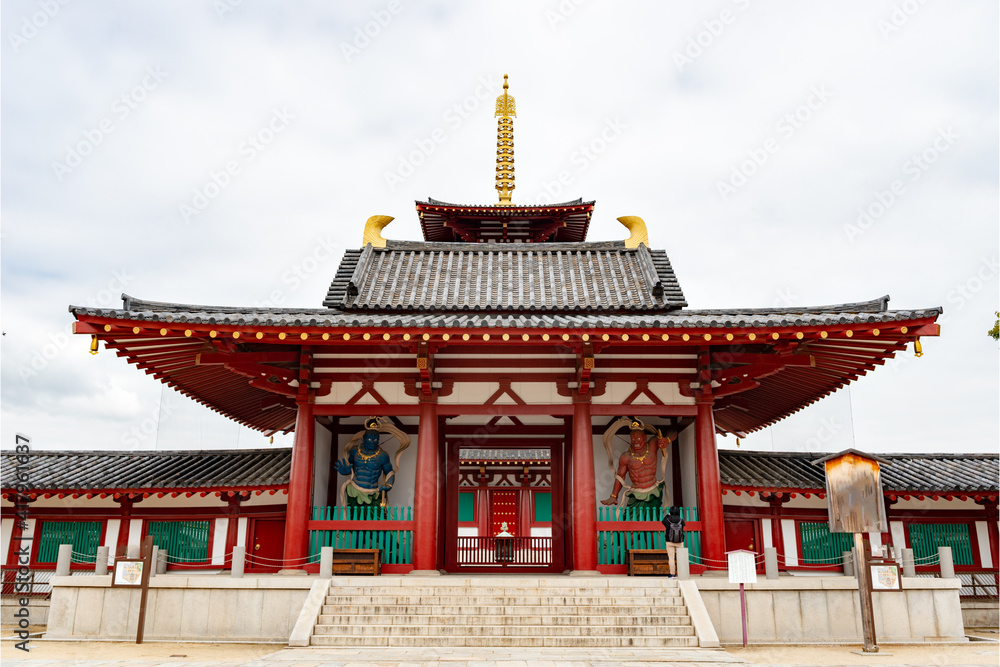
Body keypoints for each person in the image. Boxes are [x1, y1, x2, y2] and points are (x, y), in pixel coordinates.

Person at [600, 418, 676, 509]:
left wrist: (667, 440)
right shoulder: (626, 457)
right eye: (633, 439)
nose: (636, 441)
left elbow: (674, 432)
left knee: (652, 521)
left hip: (653, 492)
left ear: (645, 438)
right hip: (636, 494)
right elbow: (620, 476)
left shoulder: (653, 444)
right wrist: (613, 496)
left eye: (639, 438)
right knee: (632, 520)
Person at [661, 505, 686, 578]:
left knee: (671, 558)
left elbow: (663, 522)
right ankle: (682, 574)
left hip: (670, 541)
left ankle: (672, 574)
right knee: (681, 558)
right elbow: (683, 526)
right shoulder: (680, 520)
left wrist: (668, 515)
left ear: (670, 512)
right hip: (679, 541)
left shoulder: (667, 520)